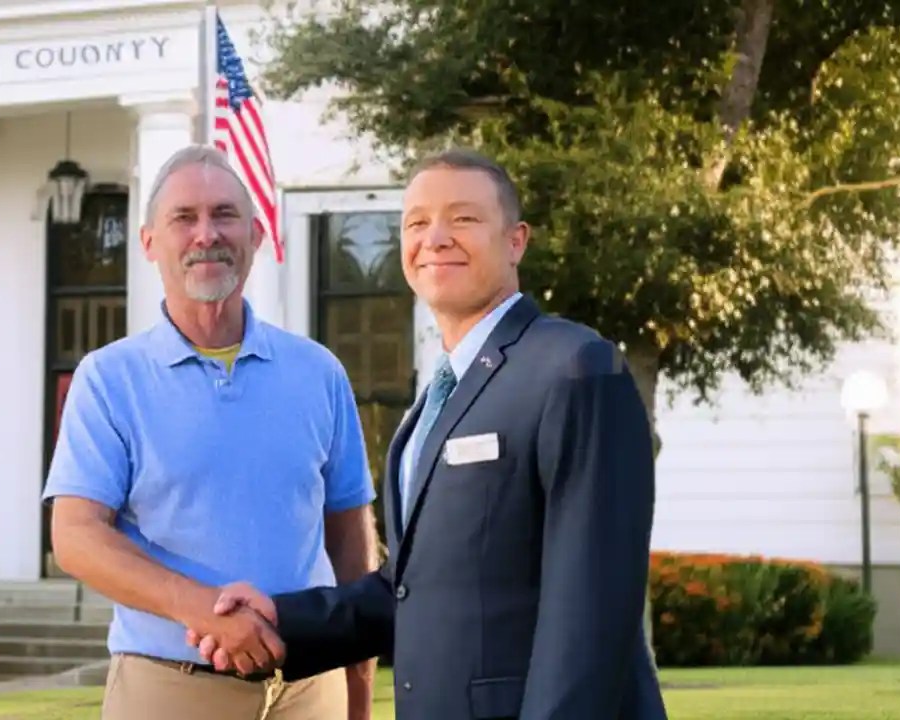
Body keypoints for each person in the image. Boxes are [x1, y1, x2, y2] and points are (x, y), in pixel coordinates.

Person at [187, 149, 668, 720]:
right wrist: (280, 619)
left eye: (463, 218)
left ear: (516, 240)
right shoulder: (430, 408)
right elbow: (408, 591)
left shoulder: (575, 368)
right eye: (416, 222)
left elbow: (592, 611)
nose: (435, 237)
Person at [42, 145, 379, 720]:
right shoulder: (109, 378)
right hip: (169, 688)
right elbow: (75, 536)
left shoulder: (317, 371)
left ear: (254, 233)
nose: (206, 234)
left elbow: (349, 533)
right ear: (149, 242)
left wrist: (358, 686)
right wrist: (201, 608)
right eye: (184, 218)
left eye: (224, 214)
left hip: (310, 689)